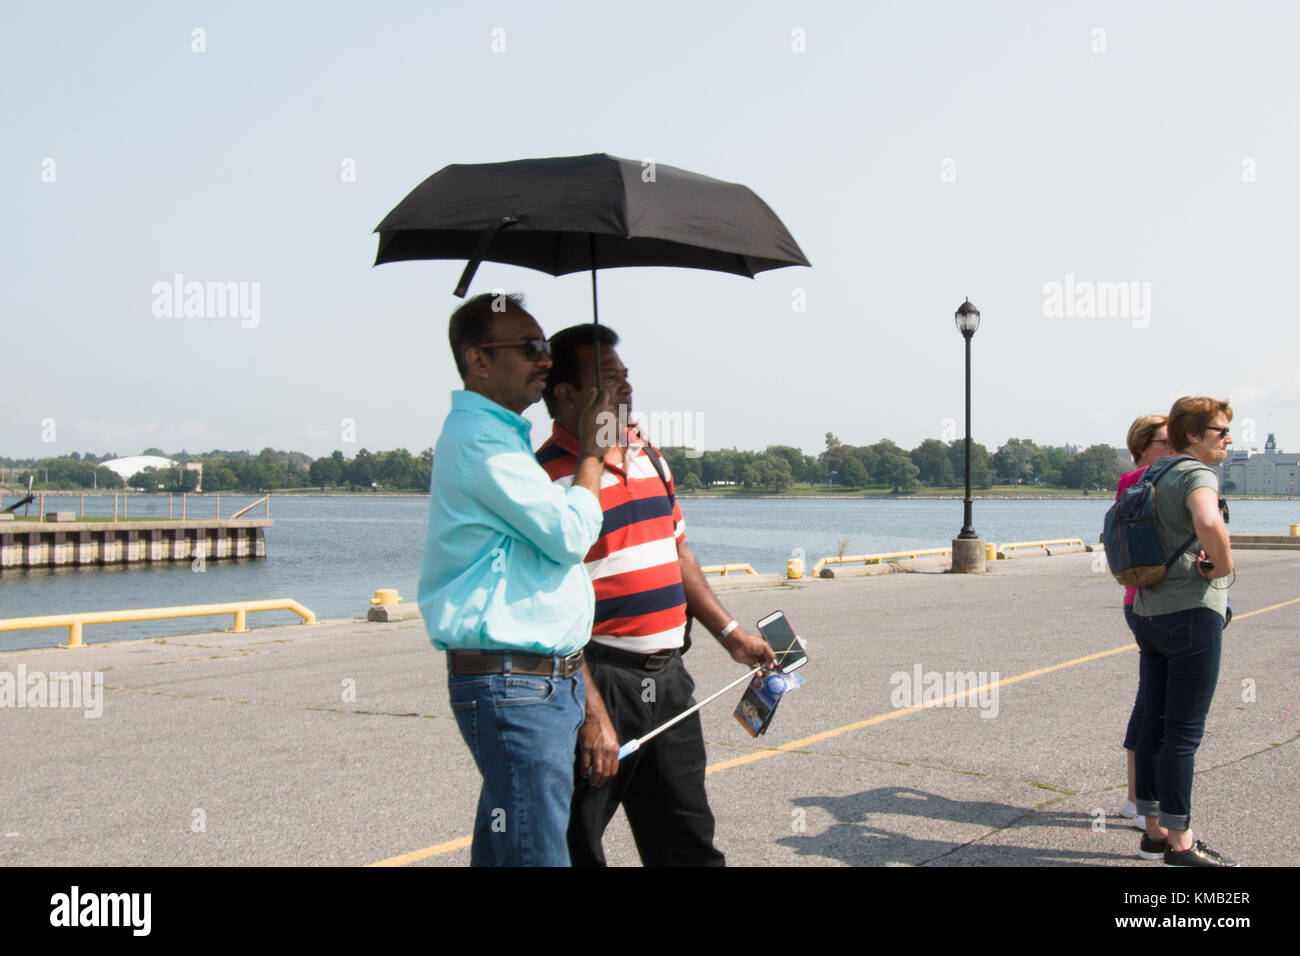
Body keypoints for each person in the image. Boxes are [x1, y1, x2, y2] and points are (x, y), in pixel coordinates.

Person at [536, 324, 776, 867]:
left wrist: (731, 634)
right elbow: (547, 614)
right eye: (608, 379)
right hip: (597, 679)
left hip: (669, 679)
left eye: (626, 377)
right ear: (568, 394)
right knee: (577, 840)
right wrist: (592, 711)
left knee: (686, 838)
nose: (625, 389)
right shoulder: (544, 482)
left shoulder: (650, 457)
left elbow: (679, 555)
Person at [417, 293, 612, 866]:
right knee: (534, 851)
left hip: (534, 683)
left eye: (546, 347)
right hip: (516, 685)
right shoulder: (480, 441)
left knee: (509, 845)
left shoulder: (500, 438)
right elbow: (570, 534)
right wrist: (593, 457)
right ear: (479, 360)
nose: (545, 360)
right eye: (529, 348)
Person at [1132, 396, 1236, 866]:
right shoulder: (1196, 474)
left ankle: (1153, 833)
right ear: (1192, 435)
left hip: (1150, 614)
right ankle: (1182, 843)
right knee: (1183, 735)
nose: (1228, 439)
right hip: (1192, 613)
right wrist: (1225, 565)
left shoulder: (1154, 473)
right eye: (1220, 431)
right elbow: (1208, 519)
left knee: (1154, 727)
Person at [1114, 413, 1171, 848]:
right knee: (1153, 704)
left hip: (1149, 603)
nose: (1172, 447)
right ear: (1144, 445)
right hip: (1148, 602)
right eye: (1164, 440)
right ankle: (1139, 800)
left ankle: (1137, 797)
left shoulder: (1155, 476)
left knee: (1150, 700)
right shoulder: (1137, 479)